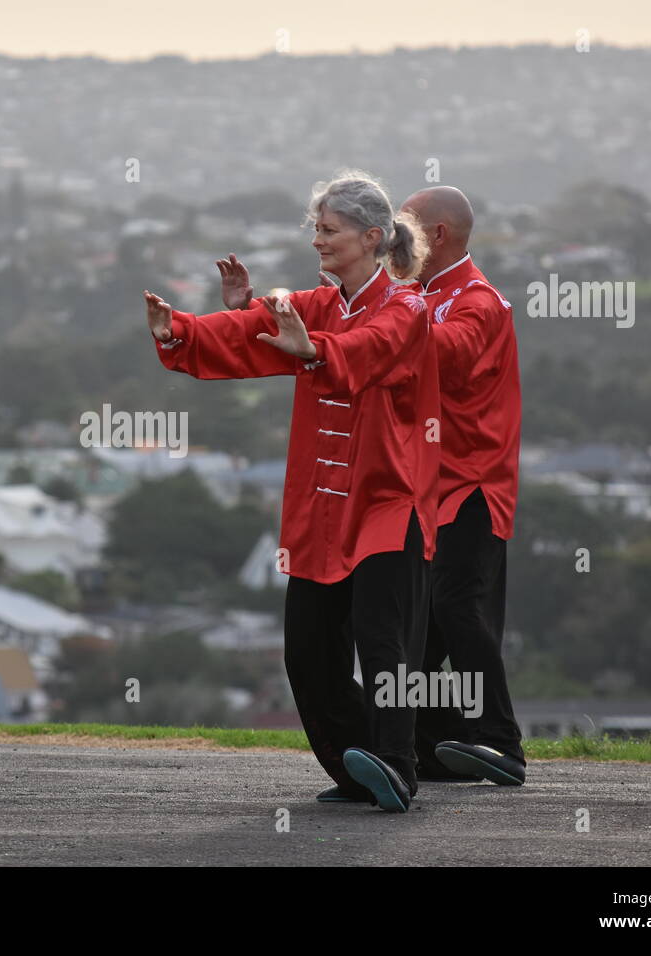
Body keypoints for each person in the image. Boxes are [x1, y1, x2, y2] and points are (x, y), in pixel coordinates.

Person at [145, 170, 438, 811]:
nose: (318, 242)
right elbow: (252, 334)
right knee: (307, 652)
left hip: (388, 502)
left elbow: (370, 349)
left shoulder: (407, 309)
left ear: (372, 236)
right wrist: (183, 330)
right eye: (317, 230)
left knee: (384, 645)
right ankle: (355, 769)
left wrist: (313, 350)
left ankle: (395, 766)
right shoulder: (316, 306)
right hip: (322, 510)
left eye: (328, 231)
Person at [397, 185, 526, 786]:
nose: (394, 239)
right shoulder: (417, 296)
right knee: (416, 629)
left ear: (437, 235)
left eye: (405, 228)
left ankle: (501, 742)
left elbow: (448, 356)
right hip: (424, 488)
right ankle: (439, 748)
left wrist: (388, 321)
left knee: (455, 605)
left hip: (472, 485)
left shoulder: (479, 302)